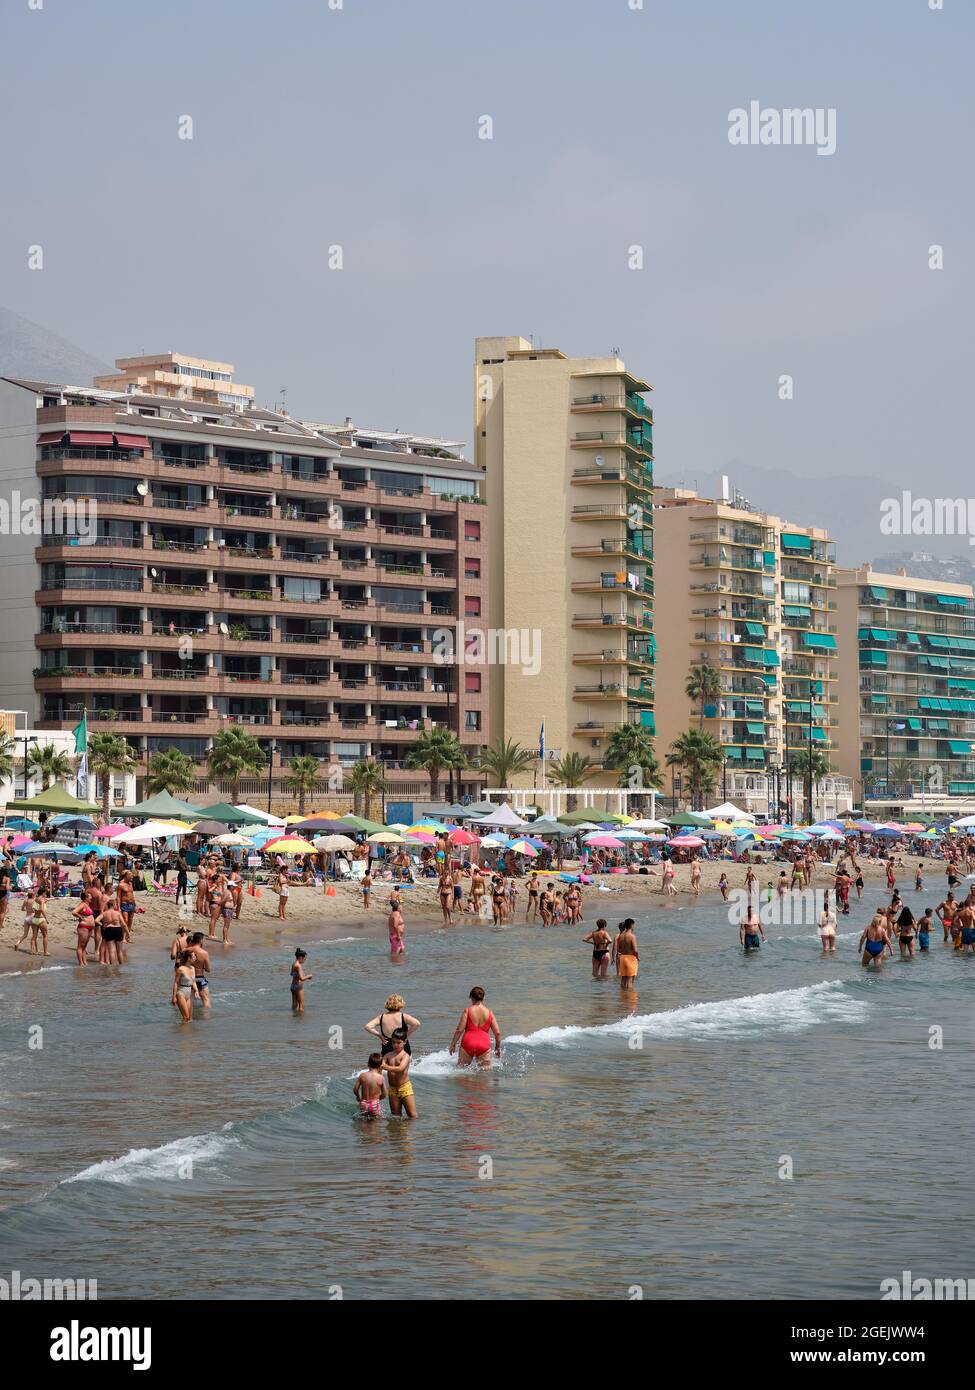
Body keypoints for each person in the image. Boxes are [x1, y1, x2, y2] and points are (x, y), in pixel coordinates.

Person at [449, 986, 501, 1067]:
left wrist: (453, 1044)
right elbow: (497, 1033)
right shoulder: (490, 1012)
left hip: (468, 1043)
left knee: (461, 1073)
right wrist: (497, 1048)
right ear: (483, 998)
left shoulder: (468, 1011)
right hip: (484, 1045)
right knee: (484, 1076)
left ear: (472, 998)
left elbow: (459, 1030)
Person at [382, 1030, 417, 1118]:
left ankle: (410, 1131)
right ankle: (397, 1131)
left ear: (405, 1042)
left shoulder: (405, 1056)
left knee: (412, 1115)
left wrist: (386, 1067)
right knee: (395, 1116)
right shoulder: (388, 1055)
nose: (396, 1045)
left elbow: (401, 1068)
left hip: (405, 1088)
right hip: (392, 1089)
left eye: (399, 1042)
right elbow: (380, 1066)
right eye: (394, 1042)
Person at [353, 1054, 387, 1119]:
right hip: (374, 1104)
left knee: (362, 1120)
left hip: (364, 1103)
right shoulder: (381, 1078)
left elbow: (355, 1089)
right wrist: (379, 1098)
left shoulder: (362, 1075)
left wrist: (358, 1097)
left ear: (368, 1064)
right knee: (375, 1123)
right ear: (380, 1066)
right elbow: (384, 1094)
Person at [171, 950, 200, 1022]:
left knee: (190, 1018)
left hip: (189, 993)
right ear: (188, 958)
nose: (195, 958)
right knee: (186, 1017)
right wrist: (174, 997)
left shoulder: (192, 968)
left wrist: (196, 991)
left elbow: (193, 981)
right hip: (181, 993)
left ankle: (186, 1032)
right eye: (194, 956)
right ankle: (182, 1032)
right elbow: (175, 983)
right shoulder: (181, 969)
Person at [187, 932, 212, 1008]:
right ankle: (206, 1018)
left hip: (189, 978)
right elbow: (208, 969)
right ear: (201, 940)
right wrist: (202, 967)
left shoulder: (187, 950)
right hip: (200, 978)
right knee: (206, 1001)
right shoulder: (204, 953)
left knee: (188, 1002)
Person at [613, 918, 639, 989]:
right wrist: (637, 957)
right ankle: (629, 997)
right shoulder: (632, 936)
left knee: (623, 979)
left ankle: (622, 996)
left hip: (622, 958)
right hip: (631, 958)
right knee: (630, 980)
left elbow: (618, 949)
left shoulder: (620, 936)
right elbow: (635, 950)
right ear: (631, 925)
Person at [98, 900, 126, 965]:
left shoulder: (104, 913)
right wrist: (127, 933)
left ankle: (112, 966)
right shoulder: (117, 913)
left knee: (111, 950)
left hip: (109, 929)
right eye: (116, 904)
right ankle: (121, 966)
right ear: (113, 905)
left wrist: (103, 925)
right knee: (119, 951)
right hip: (118, 929)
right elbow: (124, 924)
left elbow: (96, 920)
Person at [71, 899, 95, 965]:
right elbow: (74, 912)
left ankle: (84, 962)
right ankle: (80, 963)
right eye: (90, 897)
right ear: (86, 898)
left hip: (90, 927)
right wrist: (80, 916)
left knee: (84, 946)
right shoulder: (83, 904)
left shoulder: (88, 905)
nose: (91, 897)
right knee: (80, 946)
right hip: (83, 926)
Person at [818, 890, 837, 954]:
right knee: (833, 948)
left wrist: (821, 927)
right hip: (832, 930)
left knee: (825, 948)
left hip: (825, 930)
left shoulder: (821, 913)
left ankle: (824, 962)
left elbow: (819, 924)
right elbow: (836, 925)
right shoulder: (833, 914)